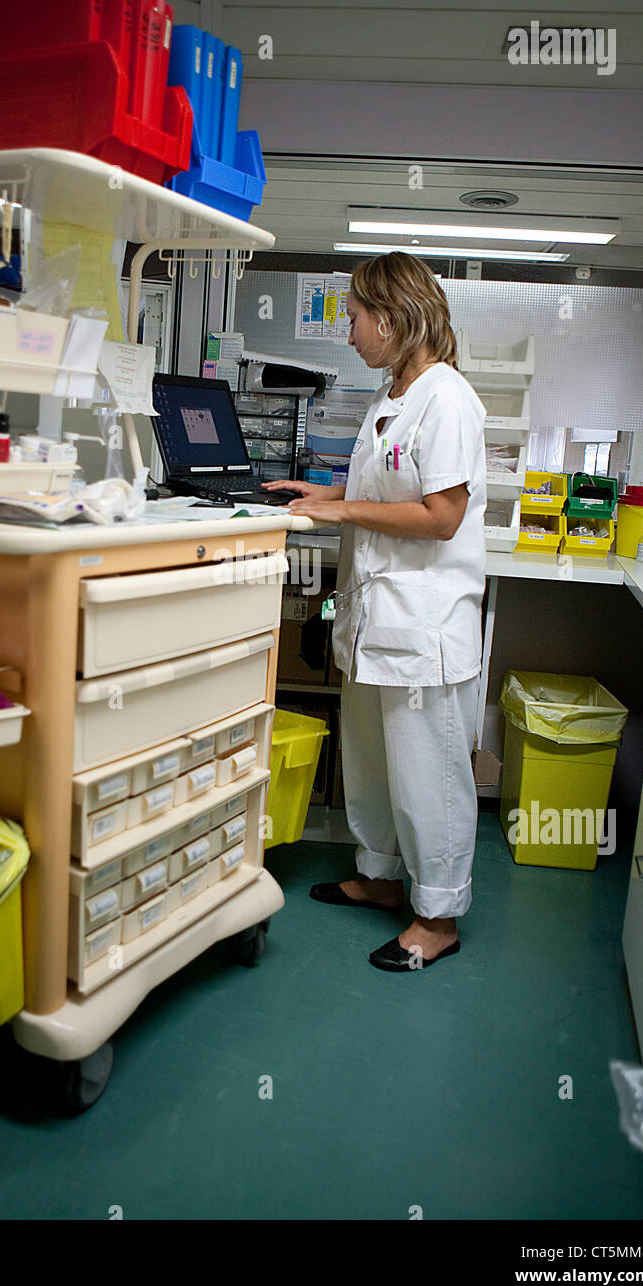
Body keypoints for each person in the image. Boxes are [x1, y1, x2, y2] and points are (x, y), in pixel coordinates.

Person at [263, 253, 486, 972]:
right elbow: (388, 487)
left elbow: (442, 514)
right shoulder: (393, 395)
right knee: (373, 761)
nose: (349, 332)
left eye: (355, 317)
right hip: (377, 618)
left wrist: (341, 506)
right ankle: (383, 879)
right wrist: (324, 492)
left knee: (428, 773)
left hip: (423, 626)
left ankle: (440, 915)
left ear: (390, 318)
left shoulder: (445, 397)